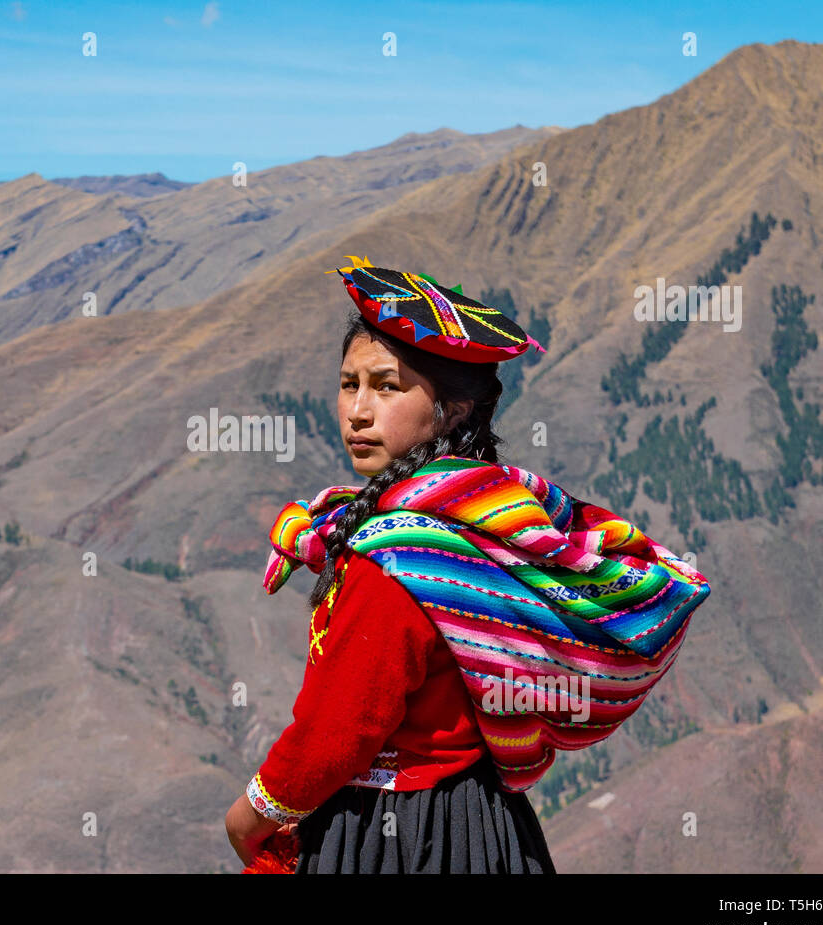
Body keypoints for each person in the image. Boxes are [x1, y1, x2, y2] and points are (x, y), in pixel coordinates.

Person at [224, 256, 710, 873]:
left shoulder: (398, 557)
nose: (358, 410)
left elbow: (340, 731)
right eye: (350, 384)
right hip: (489, 829)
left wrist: (250, 820)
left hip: (389, 837)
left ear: (452, 410)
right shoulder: (493, 520)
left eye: (387, 386)